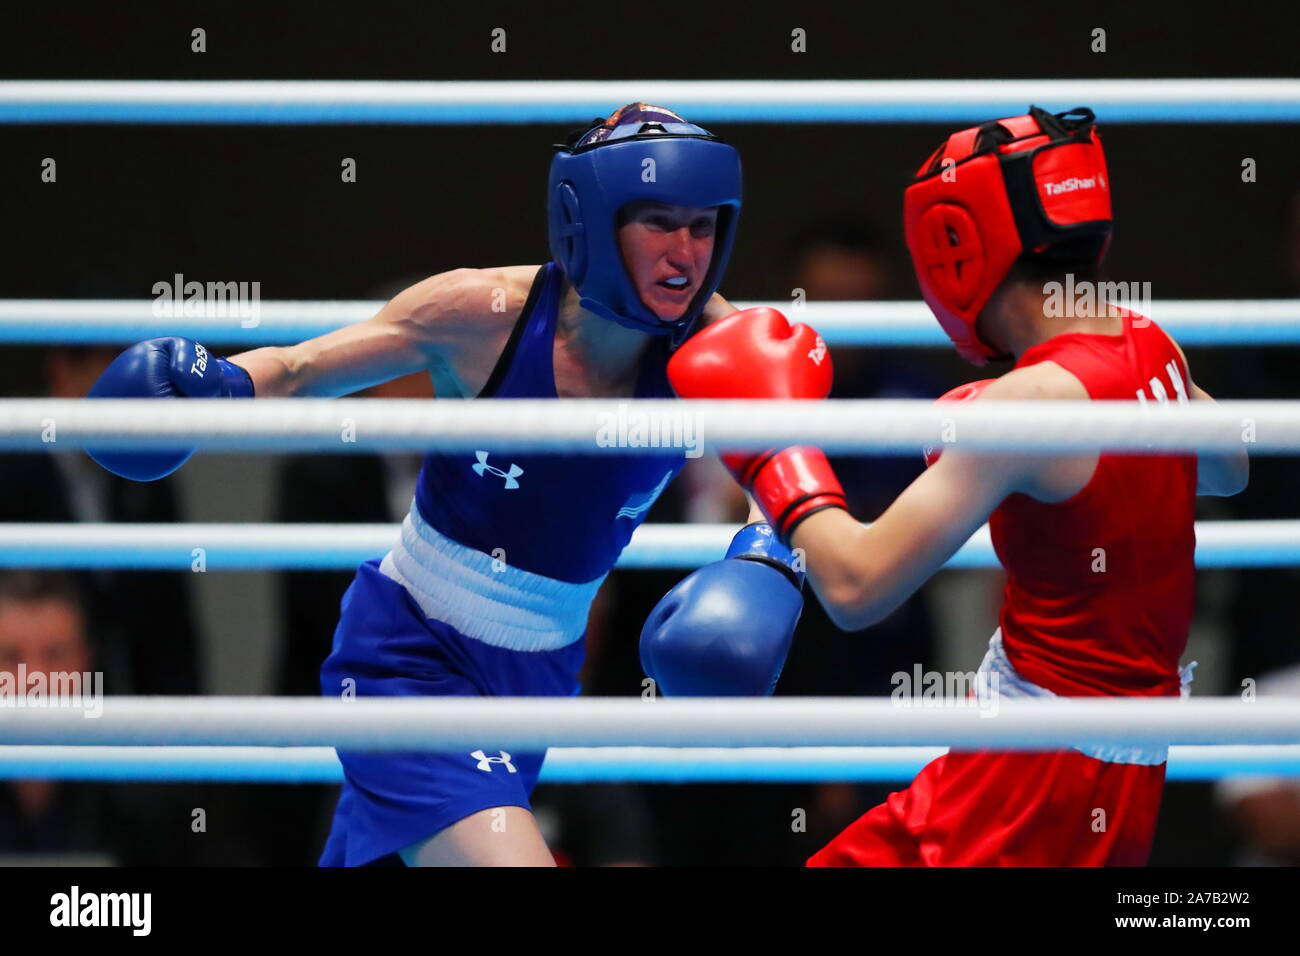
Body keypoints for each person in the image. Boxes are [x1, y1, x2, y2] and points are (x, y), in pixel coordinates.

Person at [85, 103, 815, 866]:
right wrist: (217, 386)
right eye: (660, 222)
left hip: (539, 676)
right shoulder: (484, 314)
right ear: (595, 221)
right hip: (411, 655)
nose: (685, 253)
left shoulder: (724, 349)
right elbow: (301, 368)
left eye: (704, 227)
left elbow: (793, 483)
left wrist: (768, 562)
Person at [667, 106, 1251, 865]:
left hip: (1027, 786)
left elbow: (855, 587)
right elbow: (1230, 467)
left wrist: (770, 443)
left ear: (954, 241)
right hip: (1108, 773)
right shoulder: (1148, 344)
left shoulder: (1023, 409)